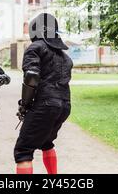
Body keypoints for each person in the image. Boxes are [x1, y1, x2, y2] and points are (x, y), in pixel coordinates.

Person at [14, 13, 73, 174]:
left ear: (36, 30)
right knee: (46, 142)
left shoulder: (35, 48)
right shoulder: (65, 57)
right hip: (64, 106)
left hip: (45, 105)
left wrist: (24, 105)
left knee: (23, 150)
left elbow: (31, 77)